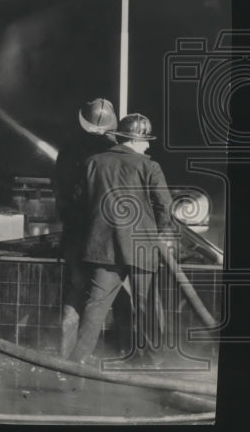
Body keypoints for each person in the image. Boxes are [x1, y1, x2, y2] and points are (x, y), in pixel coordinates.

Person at [67, 113, 175, 365]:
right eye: (145, 140)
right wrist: (157, 234)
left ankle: (76, 362)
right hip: (141, 247)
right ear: (133, 140)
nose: (148, 145)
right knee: (146, 306)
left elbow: (78, 204)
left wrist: (94, 229)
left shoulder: (92, 163)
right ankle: (155, 363)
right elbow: (165, 207)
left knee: (96, 306)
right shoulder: (150, 167)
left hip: (103, 248)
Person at [54, 98, 131, 358]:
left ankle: (64, 361)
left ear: (82, 120)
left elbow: (62, 193)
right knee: (119, 295)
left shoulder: (68, 150)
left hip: (76, 235)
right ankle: (123, 353)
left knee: (74, 298)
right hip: (108, 238)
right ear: (112, 124)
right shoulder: (117, 152)